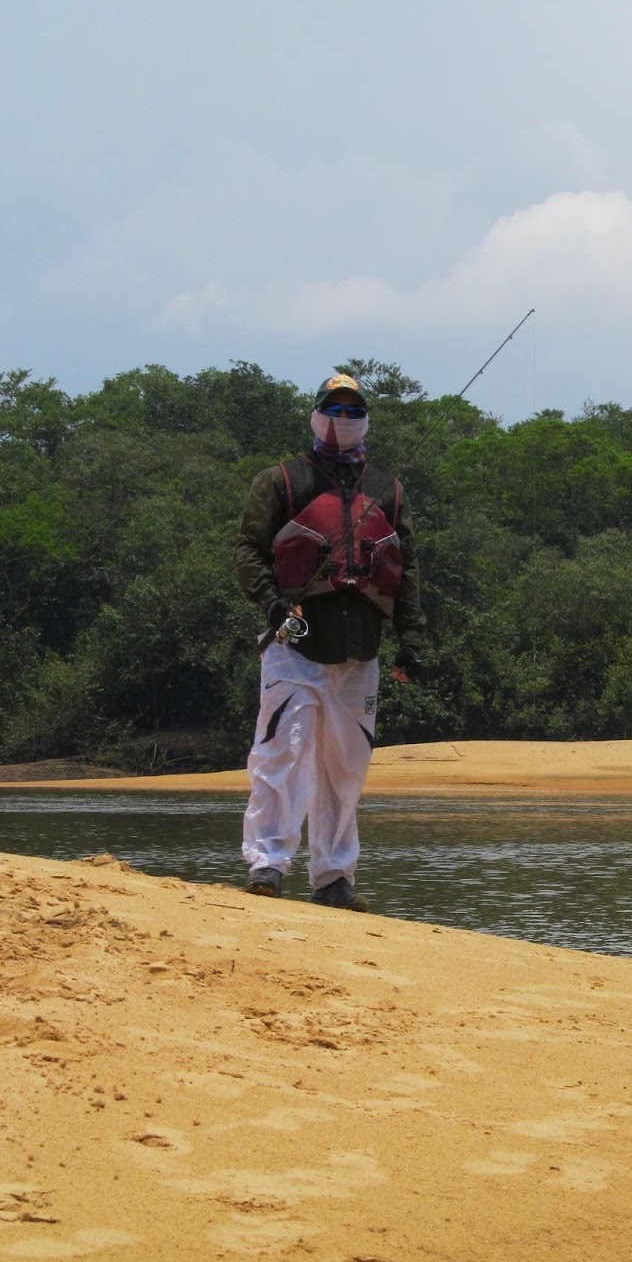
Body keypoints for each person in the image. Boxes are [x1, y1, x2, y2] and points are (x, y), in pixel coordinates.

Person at [234, 372, 424, 909]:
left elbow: (407, 568)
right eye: (333, 409)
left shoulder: (387, 490)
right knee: (282, 752)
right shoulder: (281, 481)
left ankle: (334, 877)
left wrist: (411, 638)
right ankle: (267, 865)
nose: (343, 420)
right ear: (317, 415)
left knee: (345, 768)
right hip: (294, 645)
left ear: (365, 419)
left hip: (360, 650)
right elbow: (248, 549)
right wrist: (271, 602)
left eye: (353, 410)